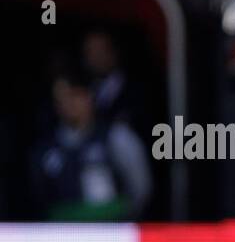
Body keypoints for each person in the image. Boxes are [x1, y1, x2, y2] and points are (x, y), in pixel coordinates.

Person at [29, 71, 152, 222]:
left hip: (111, 233)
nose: (69, 104)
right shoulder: (45, 150)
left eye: (74, 95)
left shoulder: (115, 137)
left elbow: (141, 189)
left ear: (89, 97)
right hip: (61, 236)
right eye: (61, 99)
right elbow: (38, 199)